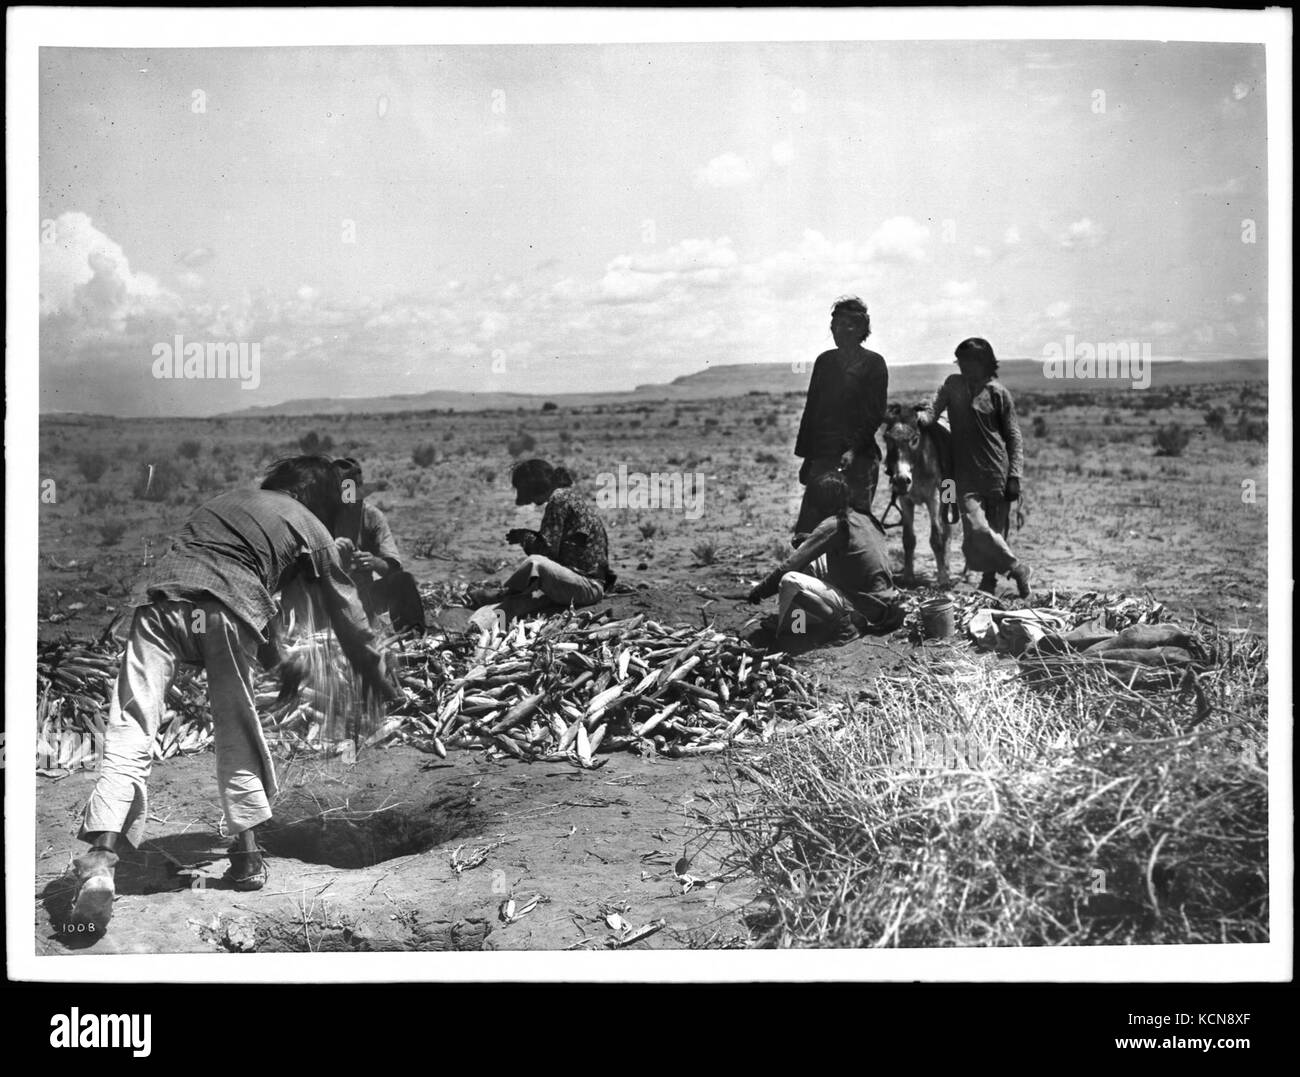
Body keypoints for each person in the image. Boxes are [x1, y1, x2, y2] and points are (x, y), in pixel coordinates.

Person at [70, 457, 400, 934]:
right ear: (317, 498)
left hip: (158, 607)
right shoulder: (310, 525)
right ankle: (246, 855)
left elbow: (219, 571)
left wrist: (277, 660)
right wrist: (378, 678)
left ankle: (100, 859)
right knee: (236, 727)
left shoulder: (222, 503)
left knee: (131, 727)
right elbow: (347, 615)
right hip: (226, 614)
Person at [917, 337, 1032, 598]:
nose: (964, 367)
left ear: (984, 363)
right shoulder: (952, 385)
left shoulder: (998, 393)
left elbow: (1013, 436)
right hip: (964, 474)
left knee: (996, 528)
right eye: (961, 362)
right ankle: (1016, 568)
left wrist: (1015, 475)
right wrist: (920, 417)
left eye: (969, 362)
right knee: (975, 531)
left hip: (996, 472)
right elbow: (933, 411)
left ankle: (989, 581)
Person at [747, 471, 905, 644]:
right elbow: (854, 549)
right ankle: (802, 622)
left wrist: (759, 591)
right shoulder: (864, 517)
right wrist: (809, 540)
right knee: (807, 555)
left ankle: (831, 625)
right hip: (887, 604)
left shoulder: (833, 524)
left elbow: (790, 566)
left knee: (790, 581)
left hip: (866, 608)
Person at [467, 459, 615, 631]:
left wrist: (524, 537)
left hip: (587, 585)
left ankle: (502, 593)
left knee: (535, 563)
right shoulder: (566, 496)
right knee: (514, 605)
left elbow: (546, 553)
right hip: (581, 583)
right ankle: (484, 620)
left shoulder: (559, 500)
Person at [793, 295, 889, 538]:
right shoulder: (824, 362)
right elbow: (812, 410)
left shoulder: (873, 363)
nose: (840, 331)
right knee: (808, 531)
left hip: (859, 457)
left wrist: (853, 450)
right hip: (823, 454)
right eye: (835, 325)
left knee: (855, 525)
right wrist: (807, 457)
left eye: (848, 325)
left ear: (861, 329)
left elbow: (874, 414)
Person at [331, 458, 426, 634]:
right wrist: (330, 551)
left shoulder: (372, 517)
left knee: (403, 581)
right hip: (328, 599)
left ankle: (412, 637)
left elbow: (393, 567)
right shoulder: (318, 516)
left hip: (363, 596)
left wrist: (374, 562)